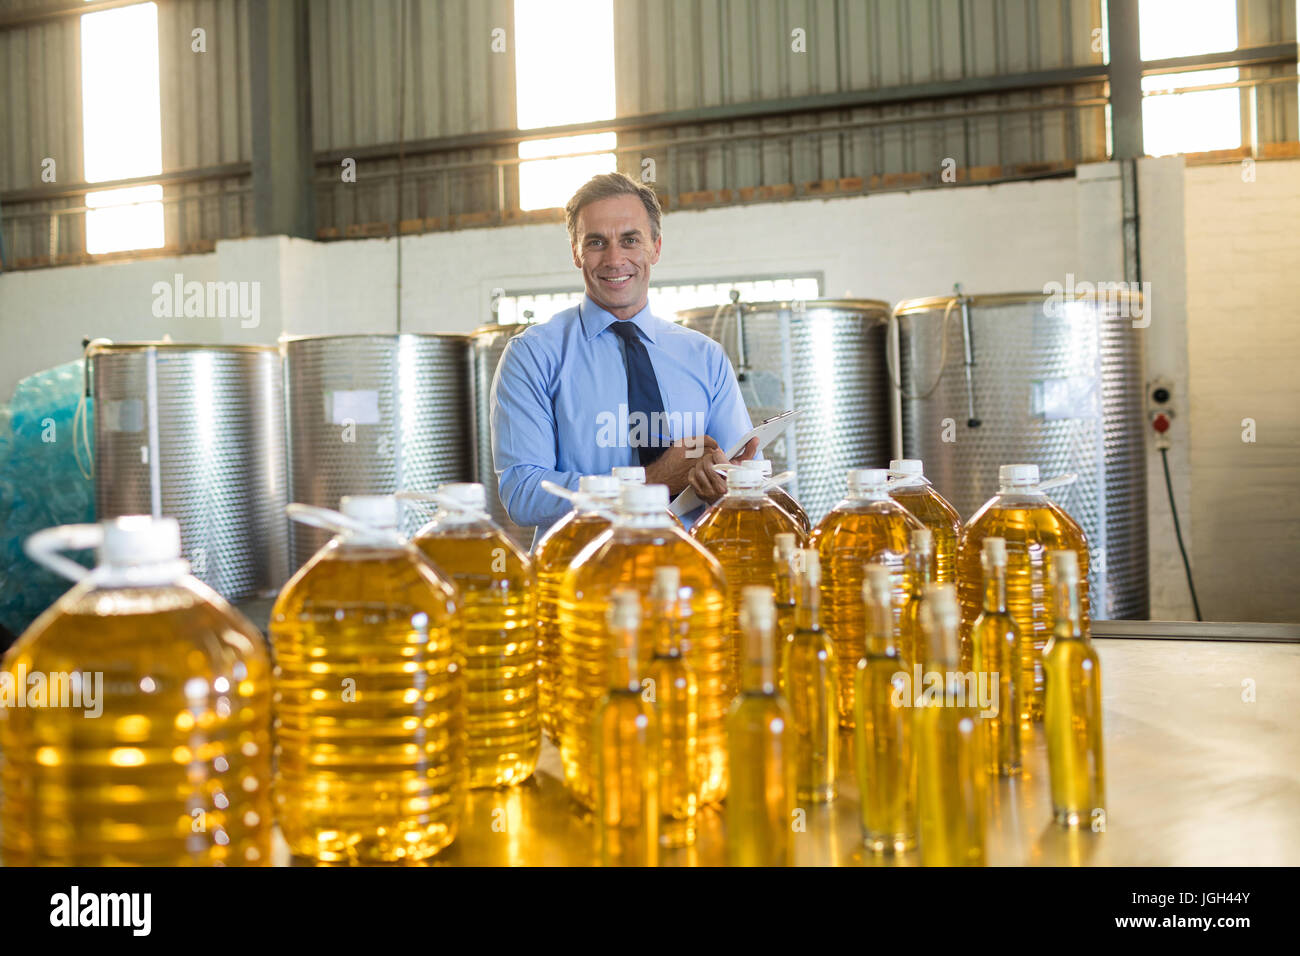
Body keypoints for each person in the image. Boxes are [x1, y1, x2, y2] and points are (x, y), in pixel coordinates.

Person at [490, 171, 757, 545]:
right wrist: (650, 482)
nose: (614, 259)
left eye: (630, 240)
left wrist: (727, 487)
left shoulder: (704, 357)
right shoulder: (533, 355)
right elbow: (523, 494)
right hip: (579, 580)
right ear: (575, 252)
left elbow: (741, 479)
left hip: (687, 576)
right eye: (597, 242)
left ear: (656, 247)